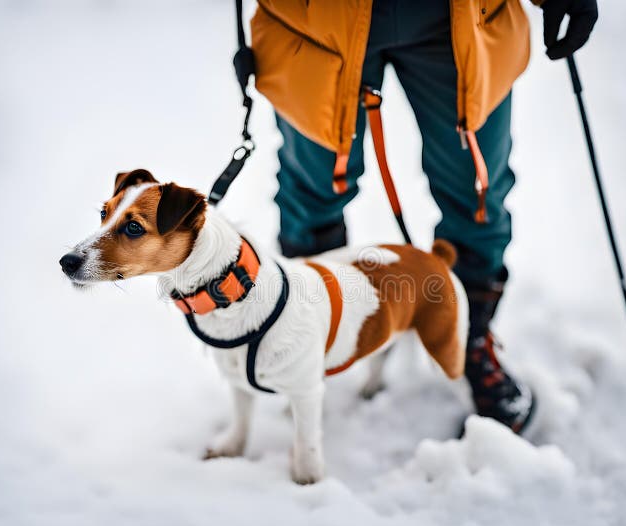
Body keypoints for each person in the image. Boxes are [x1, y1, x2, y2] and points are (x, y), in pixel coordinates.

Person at [249, 0, 598, 434]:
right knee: (312, 190)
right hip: (312, 20)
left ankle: (467, 334)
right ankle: (313, 328)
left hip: (462, 16)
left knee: (478, 189)